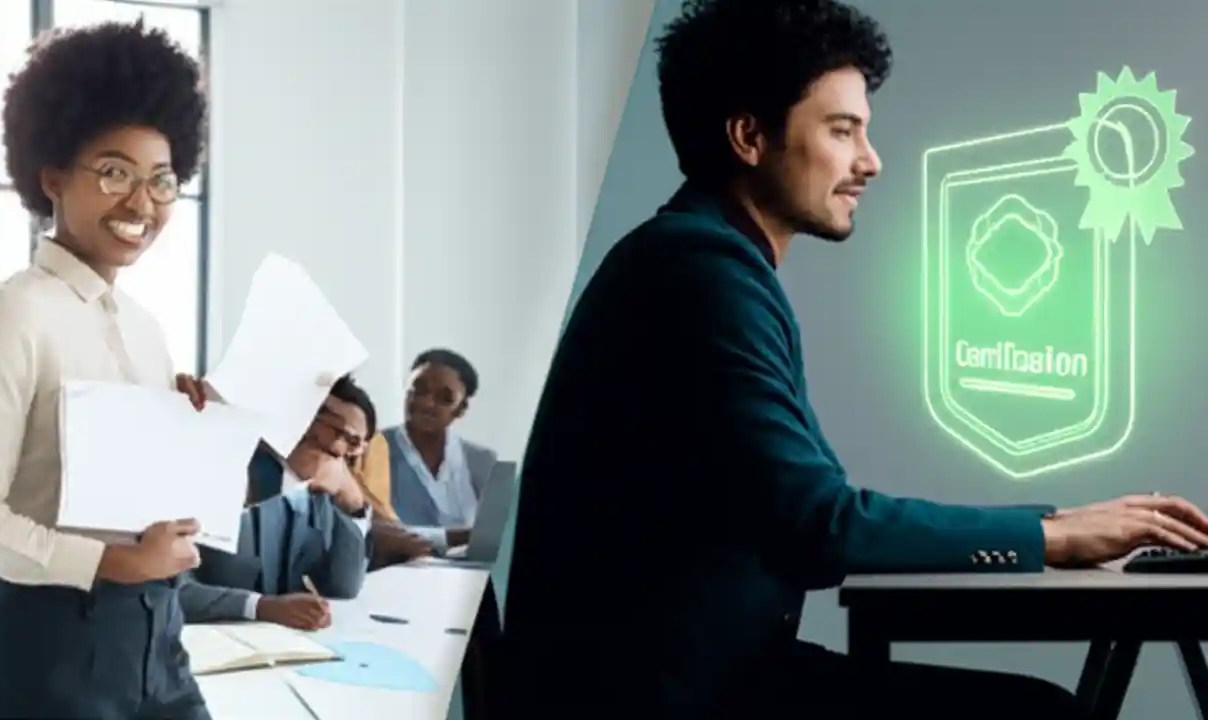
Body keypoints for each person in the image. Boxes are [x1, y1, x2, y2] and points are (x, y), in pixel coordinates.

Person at [500, 1, 1208, 718]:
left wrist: (1055, 525)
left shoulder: (700, 260)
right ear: (749, 136)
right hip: (666, 694)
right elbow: (820, 525)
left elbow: (807, 511)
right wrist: (1050, 536)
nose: (870, 161)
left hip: (700, 675)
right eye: (842, 131)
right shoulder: (700, 272)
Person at [0, 20, 213, 719]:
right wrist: (111, 564)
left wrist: (197, 440)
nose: (142, 204)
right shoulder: (11, 312)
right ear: (52, 175)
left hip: (157, 637)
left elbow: (137, 508)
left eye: (162, 180)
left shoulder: (148, 332)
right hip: (50, 647)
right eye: (115, 173)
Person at [182, 375, 431, 630]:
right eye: (331, 426)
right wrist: (259, 606)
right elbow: (166, 590)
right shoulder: (221, 468)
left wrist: (353, 500)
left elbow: (341, 586)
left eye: (353, 443)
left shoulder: (319, 496)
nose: (336, 445)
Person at [384, 349, 497, 554]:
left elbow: (494, 537)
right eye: (418, 390)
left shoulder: (483, 461)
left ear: (461, 408)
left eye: (444, 398)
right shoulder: (372, 448)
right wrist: (459, 537)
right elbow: (375, 532)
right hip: (396, 572)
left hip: (469, 576)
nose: (427, 403)